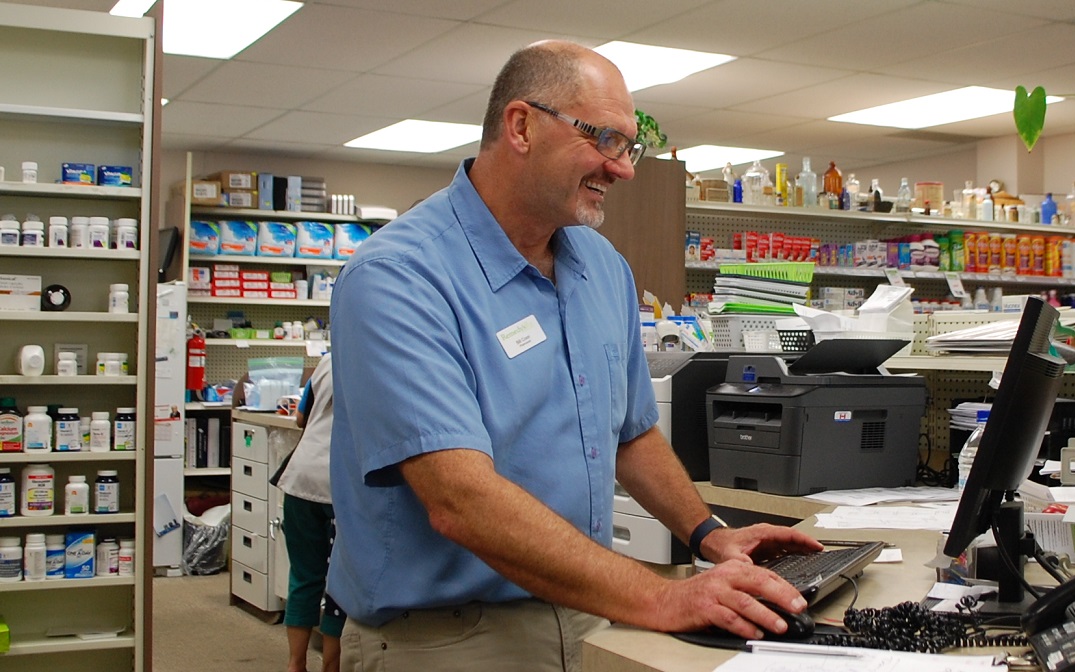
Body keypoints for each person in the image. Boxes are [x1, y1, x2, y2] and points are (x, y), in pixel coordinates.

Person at [326, 40, 821, 671]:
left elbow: (631, 434)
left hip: (587, 612)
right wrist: (661, 597)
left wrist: (709, 534)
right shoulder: (398, 277)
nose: (625, 169)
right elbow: (460, 501)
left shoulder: (601, 267)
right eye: (606, 140)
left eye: (629, 147)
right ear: (522, 126)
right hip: (449, 637)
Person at [276, 354, 344, 672]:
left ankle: (295, 664)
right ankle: (331, 666)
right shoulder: (383, 356)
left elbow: (301, 417)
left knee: (304, 577)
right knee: (339, 584)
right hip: (338, 485)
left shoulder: (327, 361)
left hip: (300, 478)